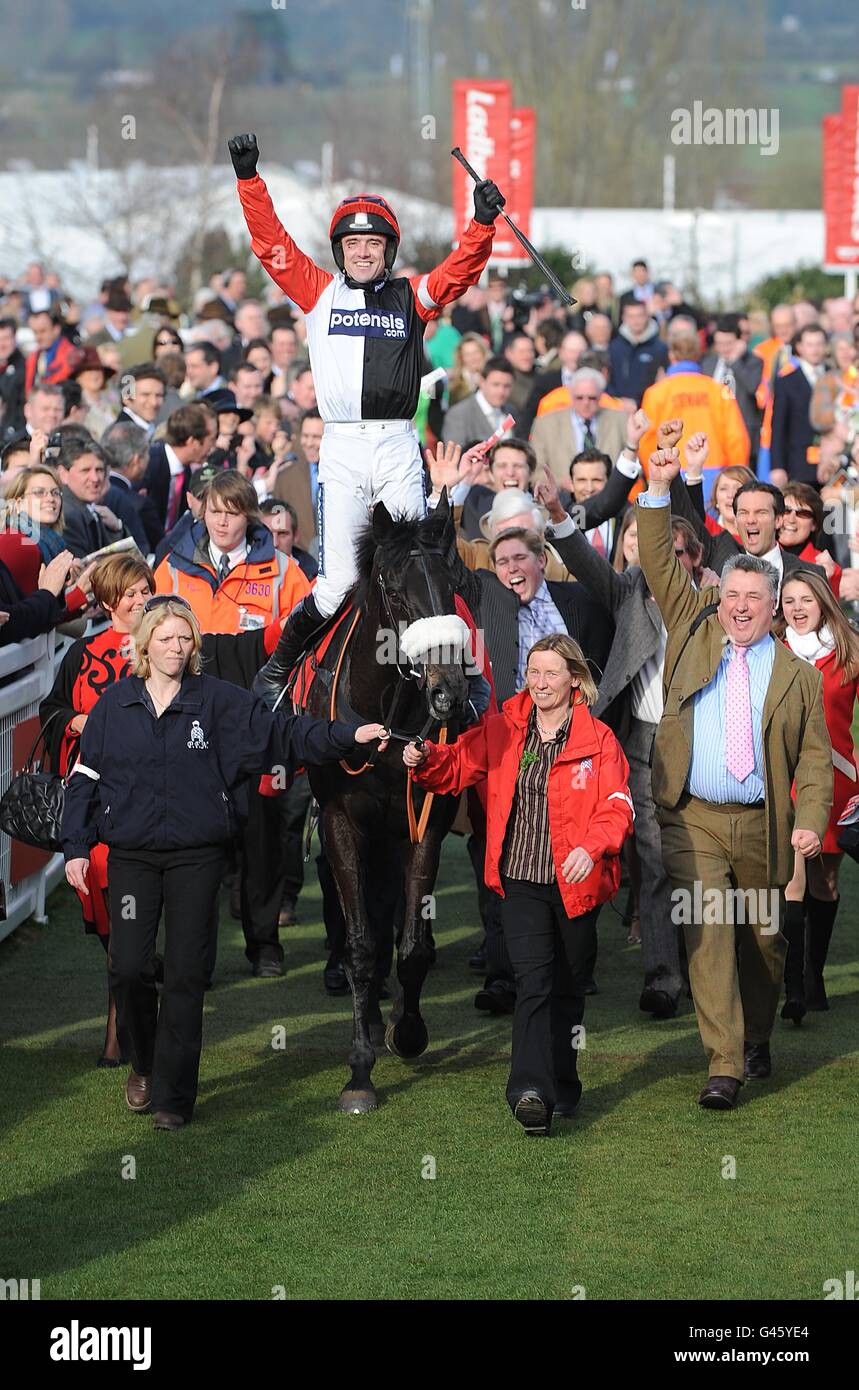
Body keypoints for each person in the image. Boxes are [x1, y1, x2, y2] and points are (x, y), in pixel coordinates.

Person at [61, 594, 389, 1130]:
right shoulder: (112, 707)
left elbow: (284, 732)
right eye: (165, 638)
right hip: (132, 858)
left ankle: (173, 1097)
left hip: (197, 857)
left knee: (187, 976)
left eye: (185, 638)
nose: (176, 647)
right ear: (144, 645)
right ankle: (142, 1061)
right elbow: (85, 779)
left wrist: (347, 735)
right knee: (129, 968)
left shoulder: (218, 702)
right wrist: (76, 846)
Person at [230, 129, 505, 678]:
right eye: (353, 244)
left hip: (398, 444)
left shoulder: (411, 296)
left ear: (388, 252)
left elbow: (459, 273)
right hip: (343, 447)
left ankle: (455, 683)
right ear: (339, 251)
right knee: (336, 584)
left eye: (373, 244)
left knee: (422, 566)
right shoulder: (316, 291)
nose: (361, 252)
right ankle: (279, 672)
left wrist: (481, 224)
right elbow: (270, 243)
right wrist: (248, 180)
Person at [636, 443, 832, 1110]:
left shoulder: (797, 676)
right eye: (732, 596)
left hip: (762, 823)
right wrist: (658, 488)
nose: (741, 607)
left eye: (755, 598)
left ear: (773, 607)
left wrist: (808, 825)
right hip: (691, 815)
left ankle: (756, 1034)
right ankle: (723, 1063)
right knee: (710, 927)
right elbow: (661, 560)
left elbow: (812, 758)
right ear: (717, 598)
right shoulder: (692, 629)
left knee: (765, 941)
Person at [403, 633, 633, 1136]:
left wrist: (588, 848)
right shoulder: (505, 727)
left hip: (576, 883)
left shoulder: (600, 741)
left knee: (569, 988)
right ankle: (529, 1091)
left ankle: (563, 1083)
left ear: (574, 678)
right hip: (519, 878)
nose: (541, 682)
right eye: (534, 672)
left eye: (552, 673)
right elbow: (459, 763)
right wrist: (424, 763)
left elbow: (618, 807)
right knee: (534, 981)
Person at [778, 572, 859, 1019]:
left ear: (824, 601)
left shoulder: (849, 650)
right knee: (792, 879)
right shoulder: (772, 650)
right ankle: (793, 987)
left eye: (806, 599)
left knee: (825, 882)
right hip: (784, 779)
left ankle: (814, 974)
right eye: (789, 600)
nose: (797, 608)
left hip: (838, 778)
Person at [639, 322, 750, 483]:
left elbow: (647, 439)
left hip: (670, 472)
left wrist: (653, 476)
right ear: (699, 354)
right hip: (717, 474)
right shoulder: (718, 389)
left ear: (671, 355)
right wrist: (737, 477)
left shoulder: (655, 392)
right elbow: (736, 437)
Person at [530, 367, 628, 485]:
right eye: (579, 398)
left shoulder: (620, 420)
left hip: (609, 497)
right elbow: (535, 472)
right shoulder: (545, 424)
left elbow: (634, 465)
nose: (585, 403)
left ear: (601, 396)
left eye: (592, 398)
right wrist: (561, 483)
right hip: (563, 498)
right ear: (571, 396)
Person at [769, 323, 828, 488]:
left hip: (833, 464)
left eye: (819, 344)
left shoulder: (836, 377)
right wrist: (777, 466)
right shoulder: (786, 381)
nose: (815, 349)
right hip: (799, 465)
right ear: (800, 347)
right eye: (810, 344)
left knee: (837, 512)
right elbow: (778, 426)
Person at [701, 314, 764, 468]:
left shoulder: (753, 361)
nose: (723, 348)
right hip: (713, 431)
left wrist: (735, 361)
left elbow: (752, 386)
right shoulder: (707, 363)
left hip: (742, 432)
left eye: (728, 343)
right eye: (719, 344)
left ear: (739, 341)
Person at [441, 355, 516, 447]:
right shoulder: (458, 414)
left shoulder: (511, 411)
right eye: (496, 384)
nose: (501, 391)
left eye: (507, 386)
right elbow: (454, 457)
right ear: (481, 382)